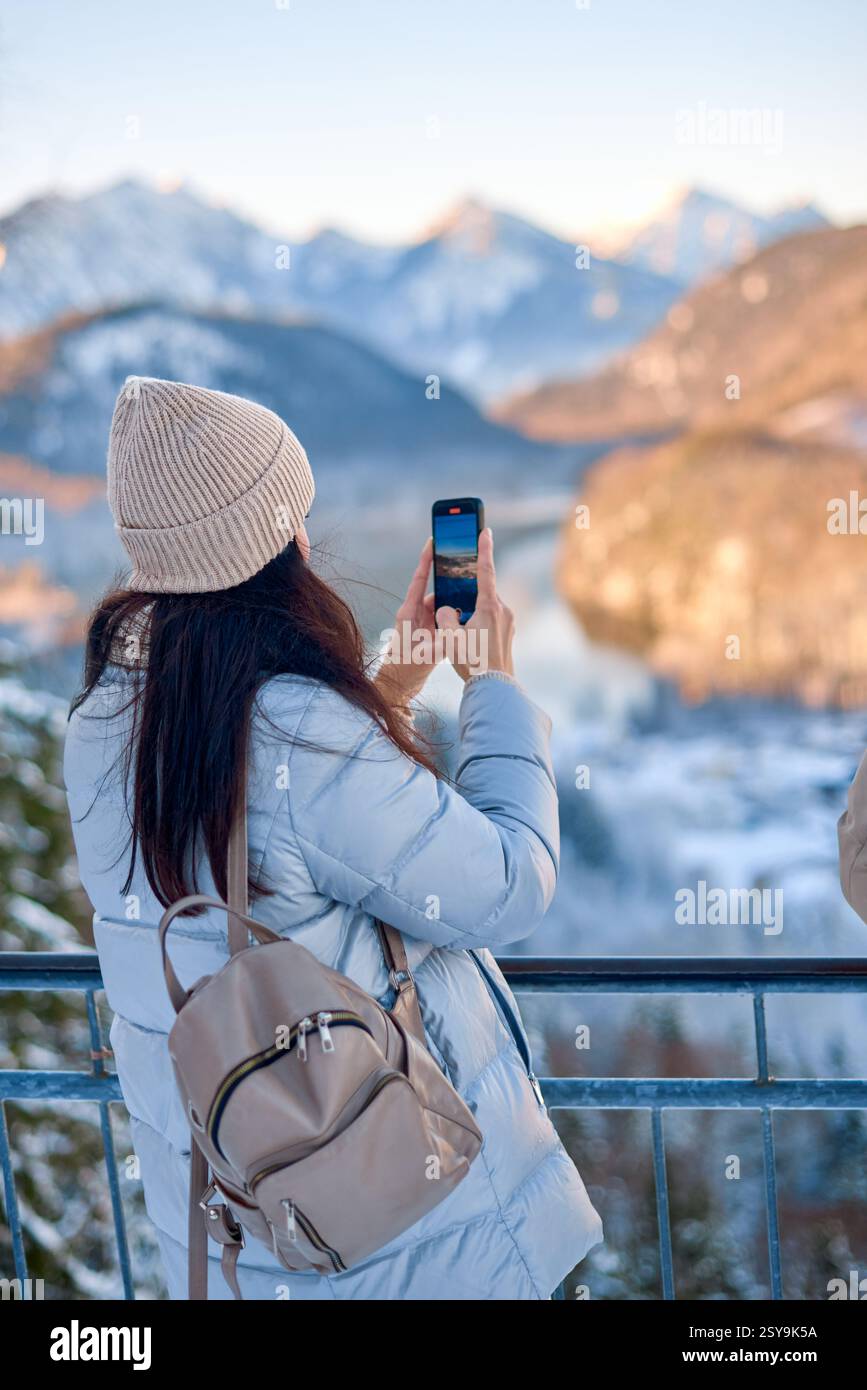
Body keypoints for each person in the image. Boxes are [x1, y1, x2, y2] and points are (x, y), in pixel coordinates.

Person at [64, 376, 602, 1300]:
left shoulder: (103, 724)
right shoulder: (299, 731)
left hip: (243, 1227)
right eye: (294, 519)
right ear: (274, 544)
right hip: (400, 1239)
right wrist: (492, 687)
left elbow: (261, 821)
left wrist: (383, 688)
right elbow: (509, 884)